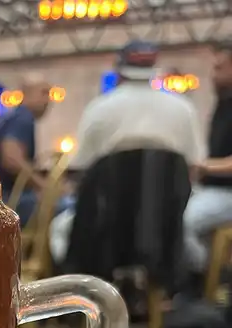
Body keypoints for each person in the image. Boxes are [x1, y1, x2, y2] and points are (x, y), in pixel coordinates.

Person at [50, 41, 204, 265]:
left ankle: (77, 284)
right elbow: (194, 166)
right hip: (167, 226)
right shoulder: (183, 109)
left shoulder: (100, 108)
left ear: (119, 68)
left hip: (107, 227)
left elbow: (81, 166)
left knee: (59, 228)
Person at [184, 42, 232, 272]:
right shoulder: (223, 104)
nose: (213, 74)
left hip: (227, 193)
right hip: (211, 190)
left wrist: (202, 166)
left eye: (219, 68)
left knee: (181, 222)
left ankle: (201, 275)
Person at [0, 73, 52, 224]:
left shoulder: (14, 116)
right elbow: (11, 159)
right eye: (43, 93)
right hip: (9, 201)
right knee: (68, 208)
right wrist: (42, 186)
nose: (48, 100)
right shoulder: (23, 119)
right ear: (28, 93)